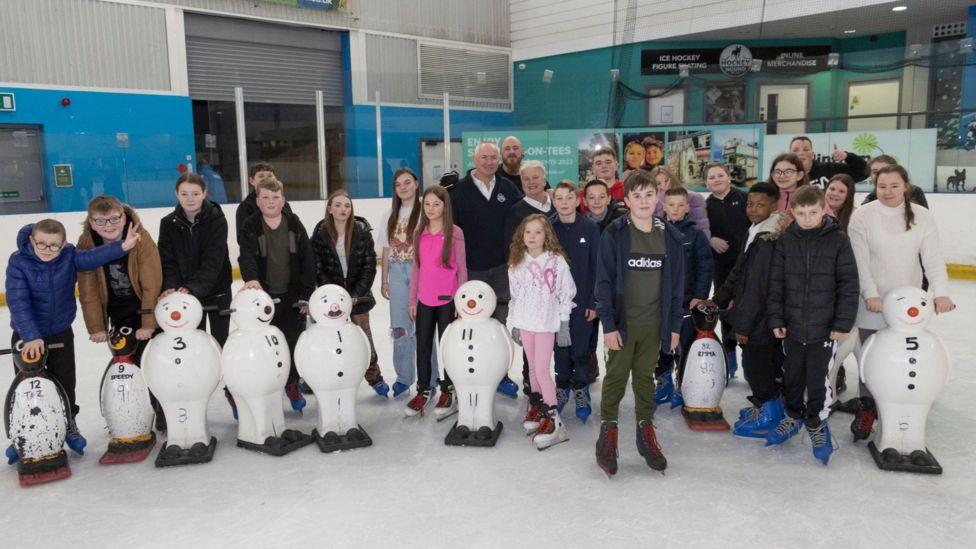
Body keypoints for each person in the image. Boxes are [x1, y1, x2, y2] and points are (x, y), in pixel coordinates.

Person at [5, 218, 141, 460]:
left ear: (64, 243)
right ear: (31, 241)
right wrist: (31, 336)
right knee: (27, 389)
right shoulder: (18, 262)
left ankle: (69, 424)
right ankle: (22, 434)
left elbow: (91, 257)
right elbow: (18, 302)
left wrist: (122, 246)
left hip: (59, 331)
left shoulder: (68, 256)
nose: (48, 250)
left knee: (66, 383)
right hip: (27, 336)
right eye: (42, 244)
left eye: (54, 245)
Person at [847, 164, 954, 442]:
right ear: (874, 186)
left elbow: (932, 259)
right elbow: (859, 261)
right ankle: (867, 407)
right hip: (873, 302)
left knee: (908, 357)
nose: (888, 192)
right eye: (881, 186)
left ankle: (904, 409)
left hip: (909, 305)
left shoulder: (922, 217)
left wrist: (941, 293)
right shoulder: (862, 216)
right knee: (870, 360)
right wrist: (870, 294)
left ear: (906, 186)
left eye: (894, 186)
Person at [594, 170, 685, 476]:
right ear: (626, 199)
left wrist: (673, 326)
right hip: (623, 324)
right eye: (637, 195)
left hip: (653, 324)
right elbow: (603, 282)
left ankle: (645, 433)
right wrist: (608, 325)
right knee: (617, 377)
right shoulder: (615, 233)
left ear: (658, 197)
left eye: (649, 194)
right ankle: (608, 434)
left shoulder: (670, 236)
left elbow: (676, 287)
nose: (644, 201)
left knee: (645, 378)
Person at [767, 185, 859, 465]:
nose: (807, 218)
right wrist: (777, 318)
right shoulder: (786, 241)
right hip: (793, 327)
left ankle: (816, 422)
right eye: (802, 213)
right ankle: (793, 415)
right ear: (792, 212)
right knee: (792, 374)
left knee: (818, 380)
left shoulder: (838, 240)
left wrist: (842, 322)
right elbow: (776, 284)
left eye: (813, 212)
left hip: (824, 328)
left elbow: (849, 284)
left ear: (823, 210)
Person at [709, 183, 788, 437]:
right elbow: (739, 271)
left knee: (758, 367)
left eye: (760, 204)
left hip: (761, 318)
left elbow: (757, 287)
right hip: (754, 315)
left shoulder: (769, 239)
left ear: (774, 205)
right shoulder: (755, 230)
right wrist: (718, 299)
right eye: (750, 203)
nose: (753, 209)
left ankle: (770, 414)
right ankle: (766, 406)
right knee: (759, 365)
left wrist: (743, 326)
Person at [448, 140, 523, 398]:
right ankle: (474, 372)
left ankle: (500, 373)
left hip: (502, 268)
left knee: (499, 324)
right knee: (474, 325)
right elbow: (452, 233)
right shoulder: (458, 192)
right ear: (474, 158)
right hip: (472, 272)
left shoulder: (509, 188)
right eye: (485, 157)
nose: (490, 162)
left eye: (494, 158)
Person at [158, 173, 236, 419]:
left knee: (223, 344)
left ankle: (233, 390)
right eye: (184, 194)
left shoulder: (217, 220)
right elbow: (166, 258)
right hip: (185, 297)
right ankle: (194, 393)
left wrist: (193, 288)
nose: (190, 198)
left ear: (204, 194)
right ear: (176, 194)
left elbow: (214, 261)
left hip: (216, 291)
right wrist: (172, 286)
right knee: (192, 348)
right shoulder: (168, 223)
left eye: (195, 193)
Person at [239, 177, 316, 411]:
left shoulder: (294, 223)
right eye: (265, 198)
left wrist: (305, 294)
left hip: (293, 297)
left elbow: (307, 259)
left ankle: (292, 384)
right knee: (266, 347)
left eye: (275, 197)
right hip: (265, 298)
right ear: (258, 201)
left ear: (283, 200)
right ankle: (268, 387)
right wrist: (251, 279)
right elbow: (247, 256)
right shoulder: (250, 225)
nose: (271, 202)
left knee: (292, 343)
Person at [311, 190, 390, 398]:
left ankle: (374, 376)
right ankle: (332, 379)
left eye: (347, 205)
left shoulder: (361, 231)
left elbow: (369, 266)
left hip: (358, 298)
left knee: (364, 340)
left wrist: (354, 294)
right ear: (329, 208)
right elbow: (317, 266)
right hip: (332, 300)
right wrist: (335, 294)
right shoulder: (320, 233)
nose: (342, 209)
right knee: (333, 343)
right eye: (337, 205)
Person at [509, 214, 576, 450]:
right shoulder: (517, 262)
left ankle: (553, 417)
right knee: (533, 371)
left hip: (546, 324)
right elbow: (515, 297)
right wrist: (515, 323)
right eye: (528, 232)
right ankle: (538, 406)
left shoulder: (556, 262)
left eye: (538, 232)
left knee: (544, 371)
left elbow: (565, 294)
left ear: (546, 235)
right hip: (527, 324)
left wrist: (564, 323)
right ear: (522, 236)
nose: (533, 237)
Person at [404, 185, 467, 417]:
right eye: (427, 204)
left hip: (448, 299)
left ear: (444, 206)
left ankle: (448, 390)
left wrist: (460, 301)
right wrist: (413, 299)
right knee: (422, 346)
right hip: (425, 299)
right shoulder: (418, 232)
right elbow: (416, 269)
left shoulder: (455, 232)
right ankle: (423, 389)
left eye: (436, 204)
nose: (431, 208)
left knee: (447, 347)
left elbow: (461, 269)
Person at [654, 186, 713, 406]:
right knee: (661, 344)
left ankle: (683, 383)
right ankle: (663, 379)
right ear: (664, 206)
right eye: (672, 204)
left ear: (687, 207)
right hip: (660, 302)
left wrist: (699, 295)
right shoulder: (655, 231)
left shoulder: (696, 235)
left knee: (684, 344)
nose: (676, 209)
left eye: (681, 205)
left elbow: (705, 267)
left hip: (686, 301)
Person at [78, 196, 161, 354]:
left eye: (114, 219)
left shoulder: (141, 239)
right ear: (91, 223)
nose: (109, 226)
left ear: (123, 218)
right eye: (100, 221)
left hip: (143, 305)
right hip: (117, 311)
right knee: (124, 354)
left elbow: (152, 284)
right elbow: (88, 291)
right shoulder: (86, 244)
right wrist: (96, 327)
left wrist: (149, 324)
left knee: (149, 355)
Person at [549, 181, 600, 423]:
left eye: (569, 198)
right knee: (559, 348)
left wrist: (593, 300)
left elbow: (596, 267)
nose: (564, 203)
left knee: (580, 348)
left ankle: (580, 386)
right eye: (559, 198)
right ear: (553, 201)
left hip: (582, 302)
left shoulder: (589, 228)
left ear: (578, 201)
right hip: (554, 305)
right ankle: (562, 385)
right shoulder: (548, 227)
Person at [378, 168, 428, 399]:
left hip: (422, 272)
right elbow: (386, 249)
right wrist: (384, 280)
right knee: (400, 328)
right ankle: (403, 377)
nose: (404, 187)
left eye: (407, 182)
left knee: (423, 328)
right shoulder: (389, 215)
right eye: (399, 184)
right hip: (397, 273)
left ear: (417, 184)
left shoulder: (426, 212)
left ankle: (430, 377)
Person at [704, 162, 750, 377]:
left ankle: (749, 358)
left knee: (747, 308)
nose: (716, 179)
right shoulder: (705, 206)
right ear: (706, 183)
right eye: (711, 177)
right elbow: (700, 230)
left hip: (747, 265)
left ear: (729, 177)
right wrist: (711, 239)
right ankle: (728, 354)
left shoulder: (744, 198)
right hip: (721, 266)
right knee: (724, 308)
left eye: (720, 175)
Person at [236, 162, 292, 243]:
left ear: (275, 178)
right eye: (261, 176)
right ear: (251, 181)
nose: (266, 179)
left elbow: (294, 232)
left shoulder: (284, 205)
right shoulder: (245, 207)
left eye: (269, 175)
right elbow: (242, 238)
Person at [503, 160, 552, 251]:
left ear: (545, 181)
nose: (531, 182)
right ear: (522, 183)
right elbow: (511, 248)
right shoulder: (515, 212)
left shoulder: (558, 204)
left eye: (535, 177)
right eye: (526, 179)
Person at [649, 165, 711, 238]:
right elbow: (656, 229)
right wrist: (664, 197)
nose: (663, 186)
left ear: (672, 180)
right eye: (658, 183)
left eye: (666, 181)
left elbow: (702, 230)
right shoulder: (652, 202)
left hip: (690, 245)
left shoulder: (694, 198)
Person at [789, 136, 867, 188]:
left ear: (813, 155)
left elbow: (864, 171)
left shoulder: (830, 169)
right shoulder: (784, 175)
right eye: (795, 150)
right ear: (789, 155)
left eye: (806, 149)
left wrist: (847, 156)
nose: (801, 153)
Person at [860, 154, 929, 208]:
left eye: (885, 170)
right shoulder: (869, 200)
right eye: (875, 172)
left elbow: (923, 218)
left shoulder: (914, 191)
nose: (880, 175)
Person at [579, 149, 624, 213]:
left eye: (608, 162)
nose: (604, 166)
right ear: (593, 169)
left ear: (616, 165)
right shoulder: (581, 195)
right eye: (599, 163)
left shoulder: (627, 191)